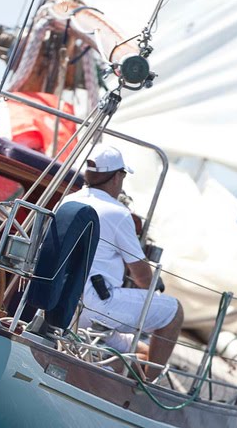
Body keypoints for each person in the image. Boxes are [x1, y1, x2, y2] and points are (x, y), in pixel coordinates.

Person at [61, 144, 184, 381]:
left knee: (131, 346)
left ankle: (118, 374)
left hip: (64, 304)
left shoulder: (68, 200)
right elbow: (142, 277)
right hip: (96, 307)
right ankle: (149, 385)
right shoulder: (118, 213)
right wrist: (155, 288)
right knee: (173, 311)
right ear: (117, 177)